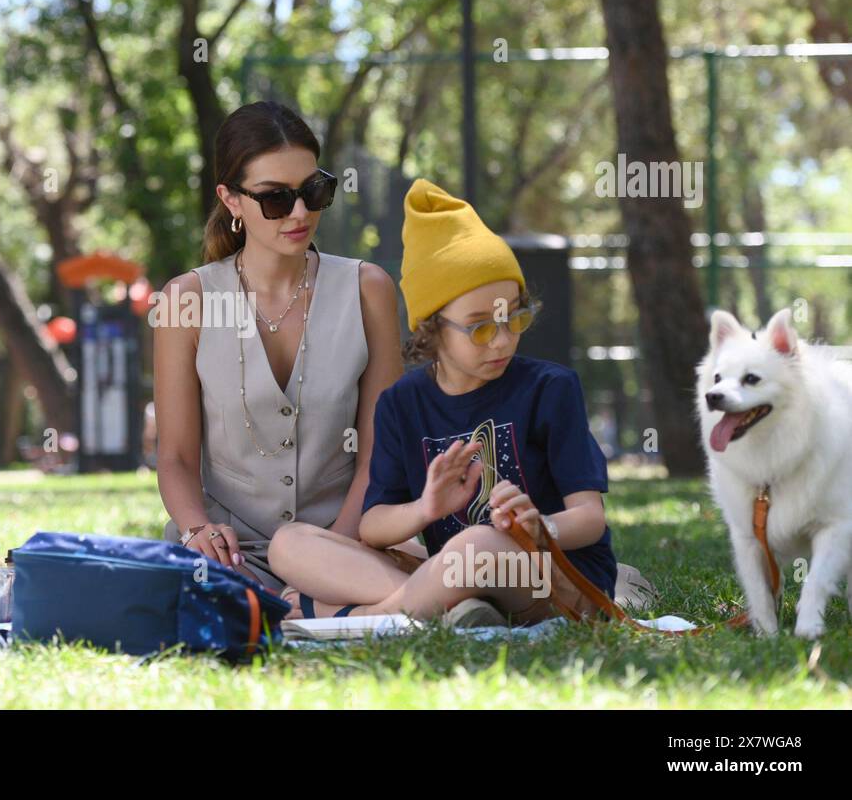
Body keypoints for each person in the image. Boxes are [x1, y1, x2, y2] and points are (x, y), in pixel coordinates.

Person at [269, 179, 626, 627]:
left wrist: (540, 528)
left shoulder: (551, 389)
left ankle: (359, 618)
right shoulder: (401, 403)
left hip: (554, 581)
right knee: (289, 542)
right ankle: (445, 609)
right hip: (456, 574)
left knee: (476, 545)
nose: (502, 340)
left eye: (514, 316)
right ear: (431, 331)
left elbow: (590, 519)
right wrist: (427, 508)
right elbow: (373, 526)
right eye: (479, 327)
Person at [153, 100, 414, 598]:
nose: (300, 213)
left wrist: (329, 556)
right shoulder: (184, 301)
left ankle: (357, 604)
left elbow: (378, 454)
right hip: (229, 554)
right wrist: (196, 530)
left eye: (314, 191)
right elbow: (176, 457)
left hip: (348, 540)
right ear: (231, 200)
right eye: (276, 198)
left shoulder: (369, 289)